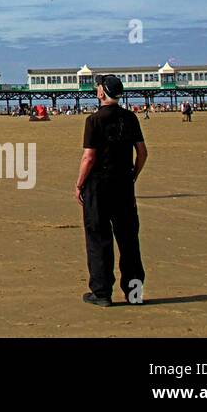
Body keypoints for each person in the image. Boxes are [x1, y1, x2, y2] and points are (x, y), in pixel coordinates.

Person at [75, 75, 146, 307]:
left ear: (102, 93)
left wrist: (79, 183)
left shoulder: (94, 120)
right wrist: (133, 175)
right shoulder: (130, 117)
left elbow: (89, 157)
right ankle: (134, 293)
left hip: (98, 186)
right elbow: (142, 152)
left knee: (98, 238)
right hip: (124, 185)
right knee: (129, 240)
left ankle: (102, 292)